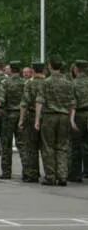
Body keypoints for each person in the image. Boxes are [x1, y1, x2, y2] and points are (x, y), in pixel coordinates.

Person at [35, 57, 76, 186]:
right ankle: (62, 176)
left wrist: (37, 119)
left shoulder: (46, 82)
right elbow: (73, 103)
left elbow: (40, 101)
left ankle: (50, 176)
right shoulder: (68, 83)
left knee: (48, 147)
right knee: (62, 147)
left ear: (50, 66)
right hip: (64, 117)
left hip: (49, 117)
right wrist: (71, 119)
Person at [0, 61, 25, 179]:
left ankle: (6, 172)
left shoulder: (5, 82)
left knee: (6, 144)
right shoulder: (25, 83)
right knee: (22, 144)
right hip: (21, 114)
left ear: (11, 70)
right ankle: (27, 170)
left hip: (8, 115)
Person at [18, 62, 46, 183]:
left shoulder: (29, 84)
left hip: (31, 115)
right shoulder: (47, 83)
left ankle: (32, 174)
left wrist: (21, 119)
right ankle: (52, 173)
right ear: (44, 70)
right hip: (47, 116)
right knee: (47, 146)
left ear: (33, 71)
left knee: (31, 146)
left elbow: (25, 103)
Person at [68, 60, 88, 183]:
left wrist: (71, 120)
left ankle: (76, 174)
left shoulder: (73, 84)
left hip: (79, 115)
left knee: (76, 145)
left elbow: (72, 103)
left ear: (76, 69)